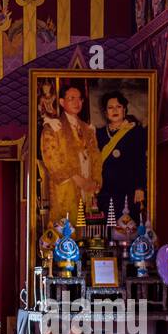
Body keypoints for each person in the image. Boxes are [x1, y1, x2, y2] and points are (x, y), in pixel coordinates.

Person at [40, 81, 102, 226]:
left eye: (79, 98)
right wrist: (77, 178)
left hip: (88, 188)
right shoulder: (53, 128)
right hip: (67, 187)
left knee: (88, 228)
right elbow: (52, 159)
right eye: (71, 98)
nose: (76, 102)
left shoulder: (88, 129)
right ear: (62, 102)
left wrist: (95, 182)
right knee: (67, 228)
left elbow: (96, 156)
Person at [96, 90, 148, 225]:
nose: (115, 110)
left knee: (128, 229)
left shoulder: (135, 132)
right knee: (107, 229)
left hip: (128, 190)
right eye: (110, 107)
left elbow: (140, 161)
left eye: (118, 106)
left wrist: (140, 187)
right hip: (105, 190)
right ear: (105, 112)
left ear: (124, 110)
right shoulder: (98, 134)